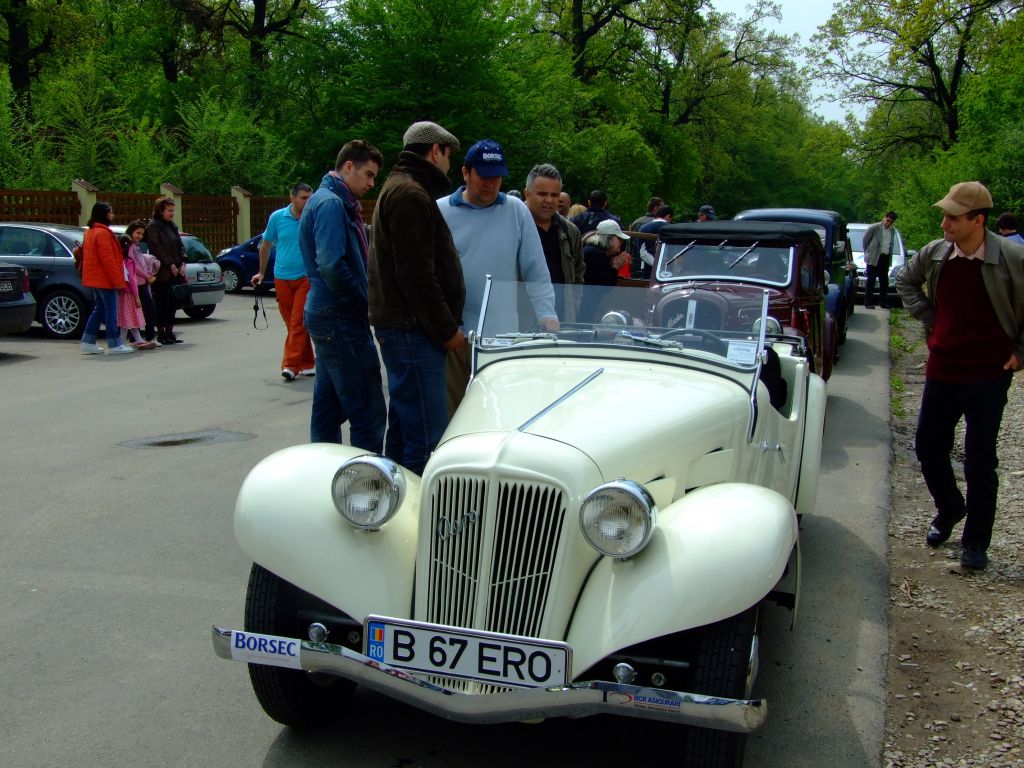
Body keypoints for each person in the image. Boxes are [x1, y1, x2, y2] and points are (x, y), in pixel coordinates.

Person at [895, 181, 1024, 571]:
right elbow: (904, 279)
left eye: (952, 217)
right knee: (928, 447)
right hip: (944, 368)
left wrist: (1020, 352)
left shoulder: (1012, 259)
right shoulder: (936, 254)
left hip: (988, 372)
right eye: (945, 215)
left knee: (980, 460)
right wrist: (930, 320)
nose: (945, 223)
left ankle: (976, 544)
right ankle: (950, 508)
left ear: (977, 220)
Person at [369, 120, 466, 475]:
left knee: (404, 430)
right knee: (426, 439)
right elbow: (416, 276)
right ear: (435, 151)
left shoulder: (402, 188)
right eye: (448, 156)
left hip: (406, 329)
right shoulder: (410, 194)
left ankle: (390, 511)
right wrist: (445, 330)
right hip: (414, 331)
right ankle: (421, 524)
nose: (449, 166)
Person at [437, 138, 558, 415]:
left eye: (497, 177)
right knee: (452, 412)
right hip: (454, 335)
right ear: (466, 172)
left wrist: (546, 312)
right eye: (484, 176)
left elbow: (536, 269)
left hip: (501, 337)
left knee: (497, 411)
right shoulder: (441, 210)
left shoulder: (516, 210)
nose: (491, 184)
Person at [299, 140, 387, 450]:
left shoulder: (325, 200)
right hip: (340, 315)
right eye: (369, 174)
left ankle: (321, 477)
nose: (371, 183)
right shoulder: (332, 204)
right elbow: (331, 265)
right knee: (368, 411)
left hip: (329, 314)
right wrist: (363, 302)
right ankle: (369, 488)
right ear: (348, 166)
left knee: (327, 408)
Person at [252, 182, 316, 381]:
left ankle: (290, 365)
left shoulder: (312, 218)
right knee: (292, 324)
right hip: (281, 278)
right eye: (304, 198)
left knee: (298, 322)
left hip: (305, 277)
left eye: (310, 198)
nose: (307, 202)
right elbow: (266, 246)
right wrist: (261, 273)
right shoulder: (277, 218)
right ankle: (307, 362)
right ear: (293, 198)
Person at [523, 163, 585, 321]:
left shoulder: (571, 232)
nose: (549, 200)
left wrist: (573, 310)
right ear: (527, 194)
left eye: (555, 195)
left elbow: (578, 276)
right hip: (521, 325)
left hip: (561, 323)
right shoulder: (512, 228)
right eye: (542, 194)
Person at [80, 202, 135, 355]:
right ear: (104, 214)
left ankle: (88, 341)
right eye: (110, 212)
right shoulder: (103, 233)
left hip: (94, 278)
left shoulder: (90, 231)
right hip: (105, 279)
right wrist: (117, 281)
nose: (113, 215)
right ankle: (115, 344)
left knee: (99, 310)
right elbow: (108, 260)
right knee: (111, 311)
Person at [146, 197, 187, 345]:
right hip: (162, 272)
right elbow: (157, 248)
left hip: (176, 271)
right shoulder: (153, 227)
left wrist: (183, 262)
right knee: (162, 303)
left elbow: (180, 245)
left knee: (173, 303)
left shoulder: (172, 226)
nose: (172, 213)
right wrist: (169, 264)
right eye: (169, 210)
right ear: (160, 211)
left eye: (172, 210)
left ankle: (170, 333)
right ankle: (162, 334)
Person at [579, 218, 631, 322]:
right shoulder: (596, 255)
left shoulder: (593, 252)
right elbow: (605, 286)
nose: (621, 242)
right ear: (609, 238)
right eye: (618, 239)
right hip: (584, 305)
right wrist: (616, 267)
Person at [121, 220, 159, 344]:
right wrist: (147, 276)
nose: (140, 236)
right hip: (135, 284)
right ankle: (147, 337)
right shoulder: (130, 247)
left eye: (142, 234)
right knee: (146, 310)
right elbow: (133, 267)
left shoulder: (136, 246)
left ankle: (138, 338)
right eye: (138, 233)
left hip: (141, 282)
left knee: (143, 310)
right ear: (131, 232)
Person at [117, 230, 153, 349]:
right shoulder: (129, 262)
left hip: (121, 293)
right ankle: (121, 343)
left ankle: (137, 339)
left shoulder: (118, 261)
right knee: (127, 319)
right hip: (130, 294)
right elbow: (132, 281)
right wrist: (137, 296)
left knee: (129, 318)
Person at [862, 210, 898, 309]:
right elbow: (865, 241)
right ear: (884, 218)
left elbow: (890, 244)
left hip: (885, 257)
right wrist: (868, 252)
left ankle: (883, 302)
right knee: (871, 280)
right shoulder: (874, 227)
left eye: (891, 222)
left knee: (884, 281)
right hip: (874, 257)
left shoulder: (892, 230)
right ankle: (868, 302)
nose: (889, 223)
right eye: (888, 220)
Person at [636, 204, 674, 279]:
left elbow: (641, 251)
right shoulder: (672, 229)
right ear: (668, 216)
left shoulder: (643, 228)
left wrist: (654, 263)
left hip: (647, 268)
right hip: (667, 268)